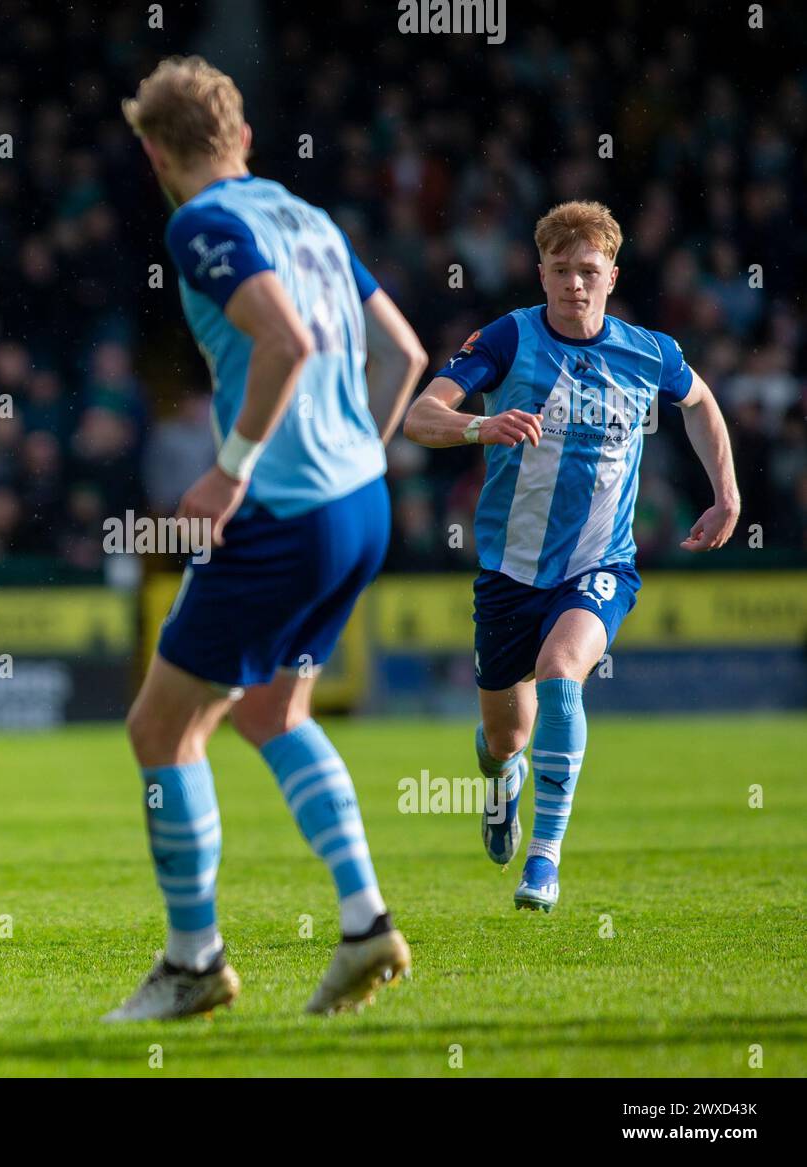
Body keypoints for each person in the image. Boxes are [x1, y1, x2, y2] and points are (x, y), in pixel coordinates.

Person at [106, 57, 428, 1020]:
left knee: (158, 728)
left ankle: (194, 962)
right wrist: (352, 462)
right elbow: (404, 353)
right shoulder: (309, 217)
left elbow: (284, 342)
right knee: (269, 714)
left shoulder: (202, 222)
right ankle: (367, 923)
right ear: (242, 136)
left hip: (284, 514)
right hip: (358, 506)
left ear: (156, 151)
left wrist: (233, 467)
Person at [403, 200, 740, 912]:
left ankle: (545, 860)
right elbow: (419, 417)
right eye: (561, 270)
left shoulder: (650, 352)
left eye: (588, 270)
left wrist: (726, 492)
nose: (574, 285)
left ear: (612, 276)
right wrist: (480, 425)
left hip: (600, 566)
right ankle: (500, 782)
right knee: (505, 735)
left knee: (561, 674)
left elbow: (702, 403)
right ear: (541, 273)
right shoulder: (508, 339)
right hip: (508, 573)